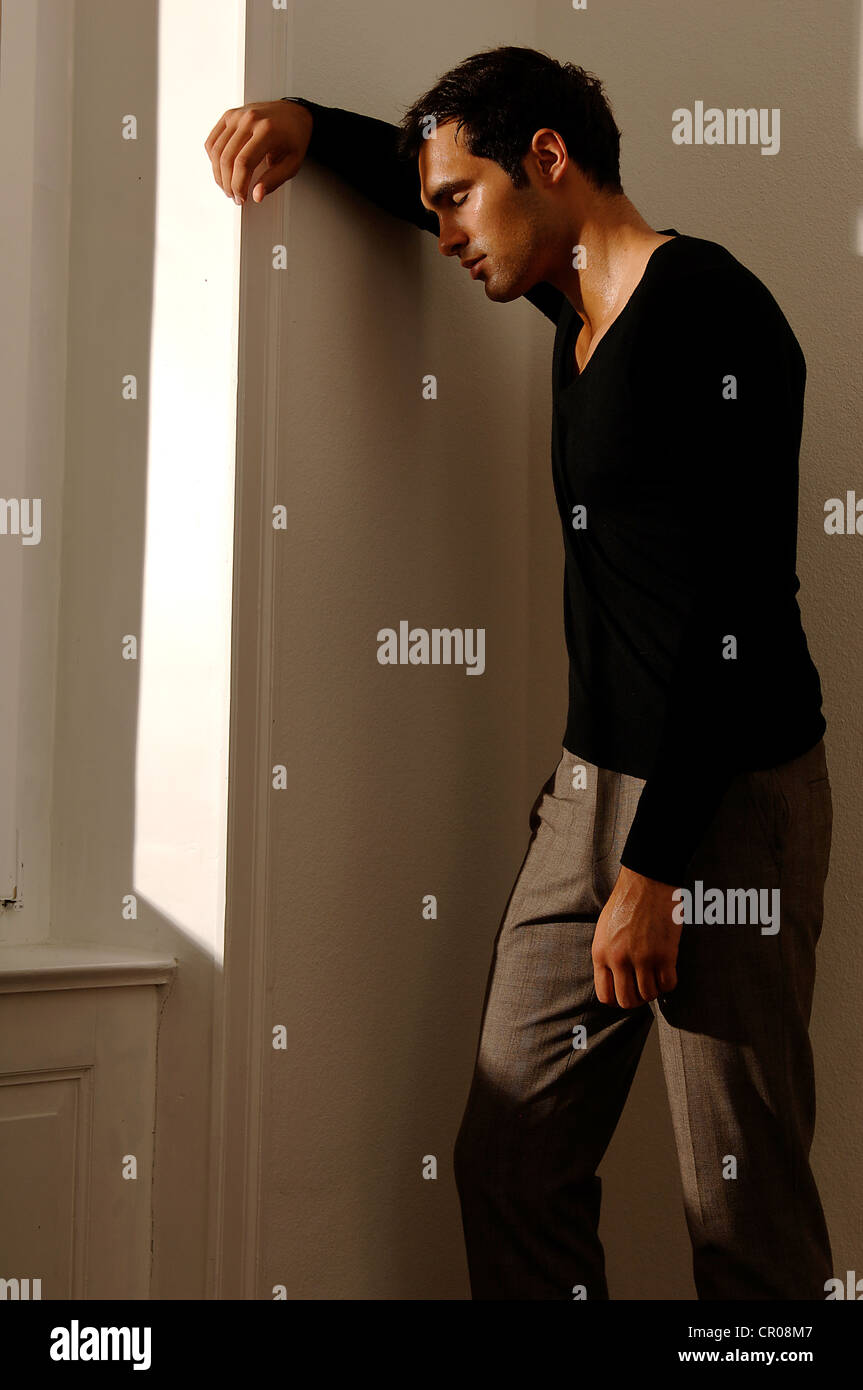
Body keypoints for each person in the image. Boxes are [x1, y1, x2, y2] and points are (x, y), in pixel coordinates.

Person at [205, 45, 834, 1301]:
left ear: (549, 160)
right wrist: (300, 124)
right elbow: (417, 173)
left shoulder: (713, 315)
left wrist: (651, 873)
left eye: (456, 201)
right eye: (431, 204)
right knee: (508, 1157)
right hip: (584, 795)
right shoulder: (576, 293)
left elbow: (739, 622)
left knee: (738, 1200)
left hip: (719, 806)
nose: (439, 231)